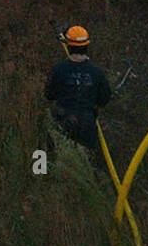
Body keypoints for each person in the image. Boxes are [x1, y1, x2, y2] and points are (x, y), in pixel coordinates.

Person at [45, 25, 113, 168]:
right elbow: (104, 99)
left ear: (68, 46)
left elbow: (49, 95)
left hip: (61, 122)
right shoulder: (97, 73)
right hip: (86, 124)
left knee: (59, 162)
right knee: (85, 166)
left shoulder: (58, 70)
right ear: (86, 46)